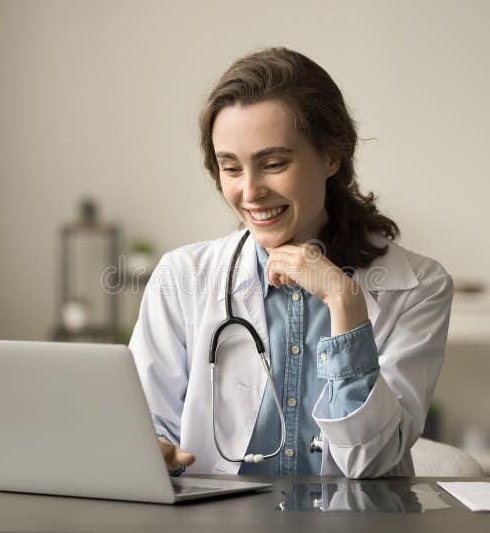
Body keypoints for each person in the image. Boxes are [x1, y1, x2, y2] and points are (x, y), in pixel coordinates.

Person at [129, 47, 453, 479]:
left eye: (274, 163)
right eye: (231, 168)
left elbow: (371, 462)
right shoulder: (181, 277)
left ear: (331, 156)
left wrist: (345, 304)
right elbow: (145, 430)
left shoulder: (419, 286)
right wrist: (151, 451)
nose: (250, 191)